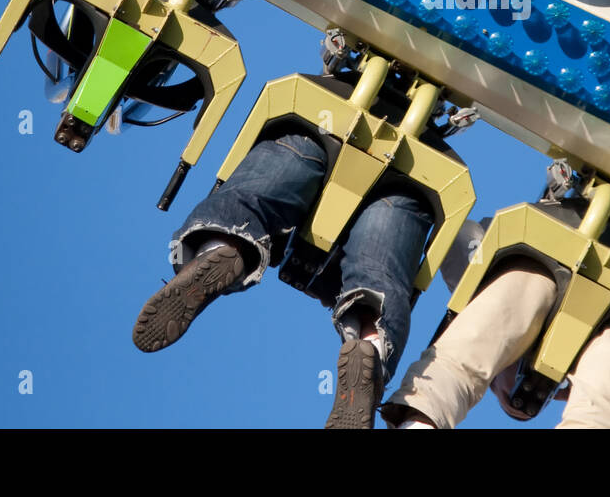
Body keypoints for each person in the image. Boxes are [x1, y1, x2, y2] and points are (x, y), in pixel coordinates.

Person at [130, 78, 439, 430]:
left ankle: (222, 248)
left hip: (314, 129)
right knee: (379, 265)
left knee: (257, 194)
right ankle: (368, 341)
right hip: (408, 175)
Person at [379, 214, 610, 429]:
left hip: (544, 253)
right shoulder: (598, 358)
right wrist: (571, 383)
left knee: (499, 312)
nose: (513, 387)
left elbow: (460, 238)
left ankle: (421, 417)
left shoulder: (498, 301)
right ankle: (423, 416)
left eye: (504, 389)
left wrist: (486, 268)